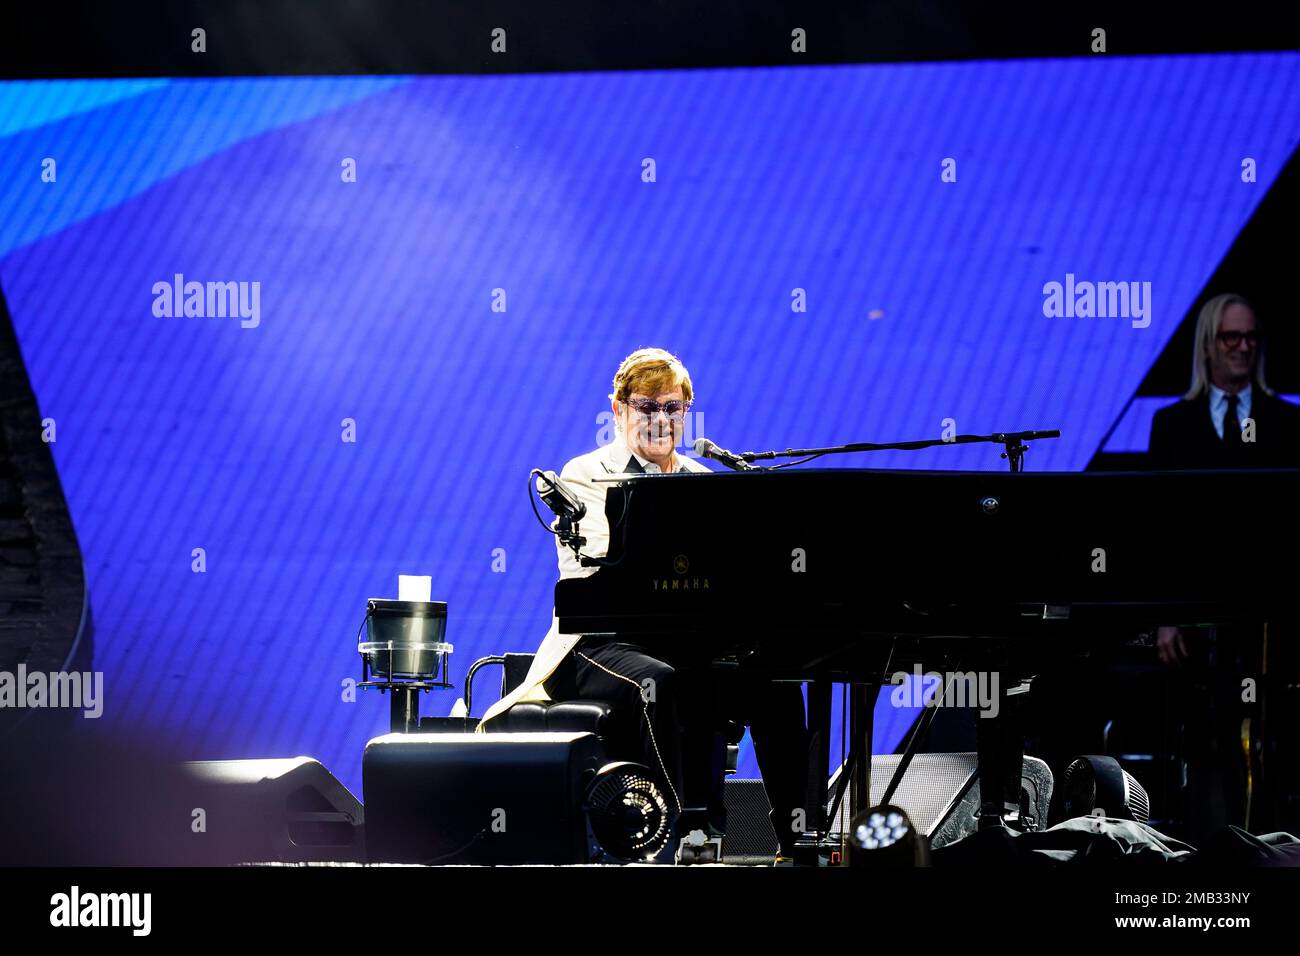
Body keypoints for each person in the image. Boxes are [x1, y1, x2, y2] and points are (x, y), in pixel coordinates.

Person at [478, 347, 810, 861]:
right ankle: (680, 836)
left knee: (775, 686)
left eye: (671, 408)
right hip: (596, 643)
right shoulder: (586, 474)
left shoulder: (705, 482)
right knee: (661, 681)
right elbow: (596, 571)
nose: (660, 419)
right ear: (619, 410)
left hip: (688, 643)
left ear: (686, 411)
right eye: (646, 407)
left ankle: (799, 840)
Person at [1147, 293, 1300, 471]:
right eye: (1232, 337)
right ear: (1206, 346)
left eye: (1251, 337)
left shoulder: (1289, 422)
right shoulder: (1170, 425)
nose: (1244, 347)